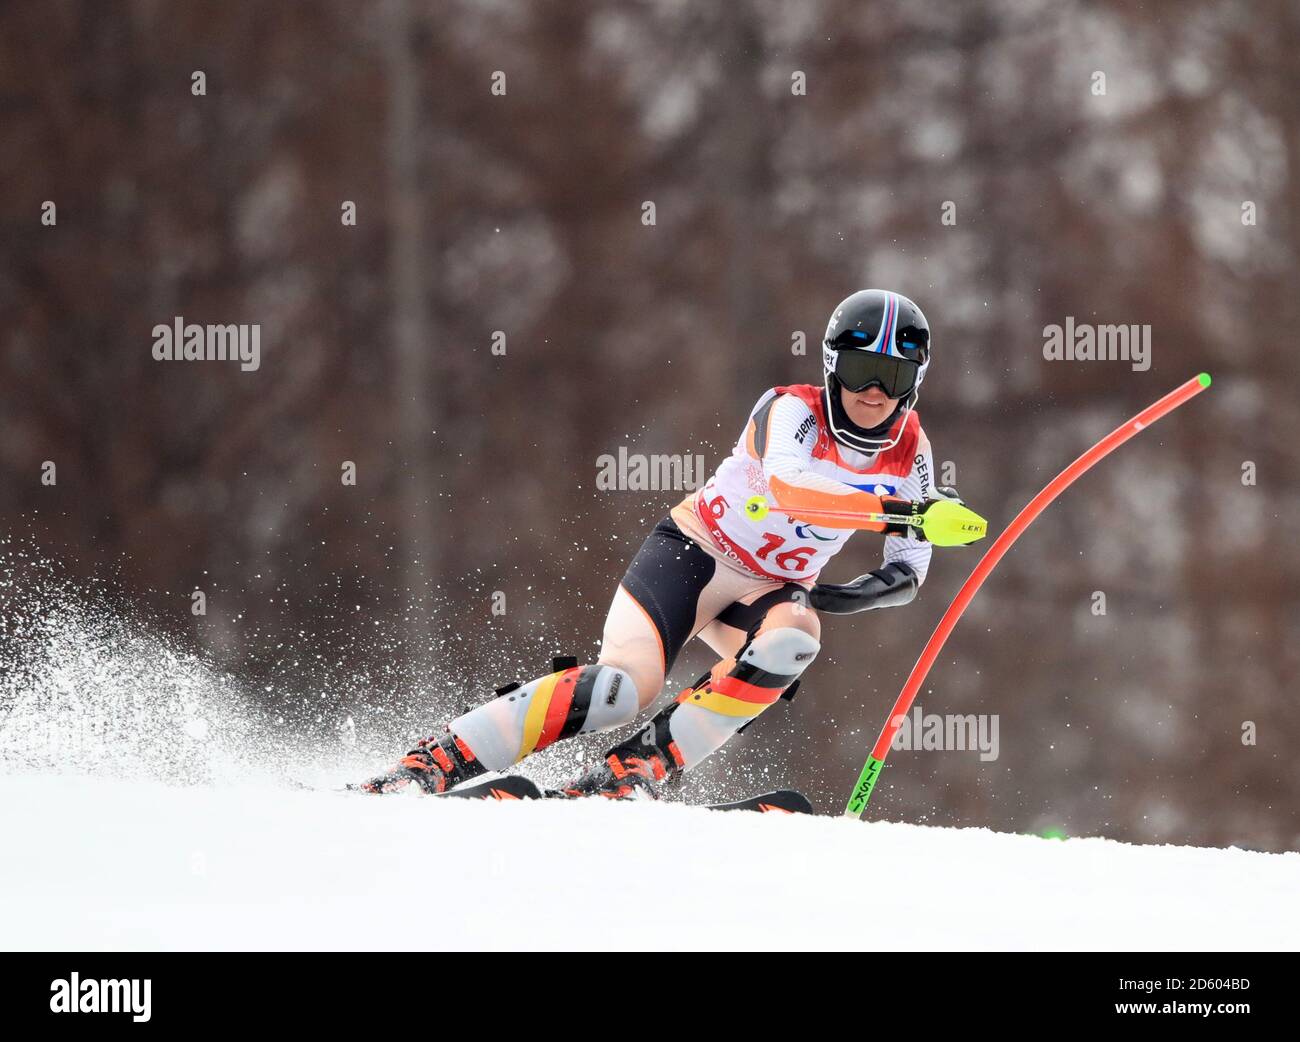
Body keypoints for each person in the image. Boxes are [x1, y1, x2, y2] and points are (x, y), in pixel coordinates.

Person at [359, 289, 970, 798]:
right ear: (834, 366)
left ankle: (632, 771)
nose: (875, 392)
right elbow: (791, 491)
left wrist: (843, 596)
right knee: (623, 688)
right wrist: (908, 512)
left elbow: (909, 569)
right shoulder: (789, 410)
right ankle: (436, 760)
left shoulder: (913, 450)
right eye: (863, 371)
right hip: (694, 555)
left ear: (914, 382)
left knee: (793, 641)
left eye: (893, 376)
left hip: (772, 587)